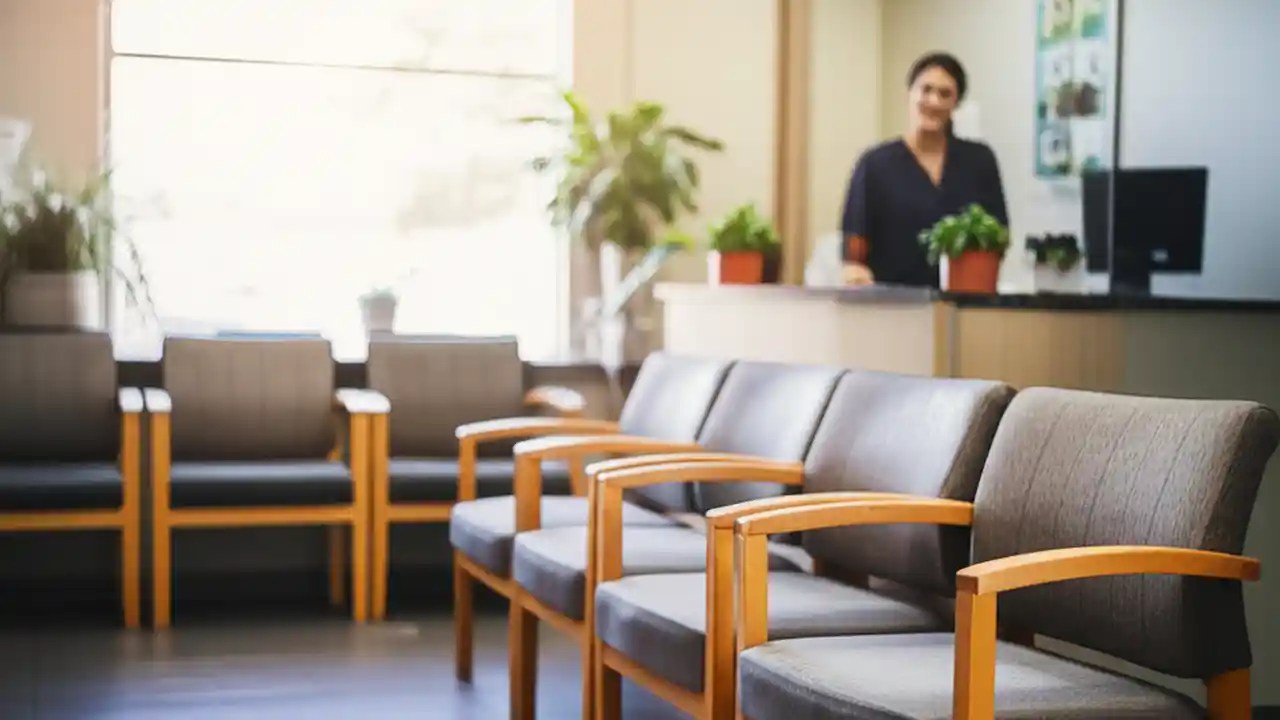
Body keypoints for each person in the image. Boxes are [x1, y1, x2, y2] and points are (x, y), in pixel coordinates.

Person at [841, 52, 1009, 288]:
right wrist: (856, 276)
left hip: (961, 306)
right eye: (926, 90)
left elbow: (998, 238)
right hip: (892, 306)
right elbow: (853, 253)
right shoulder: (874, 165)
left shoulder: (979, 161)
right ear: (909, 94)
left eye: (945, 94)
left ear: (956, 103)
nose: (934, 101)